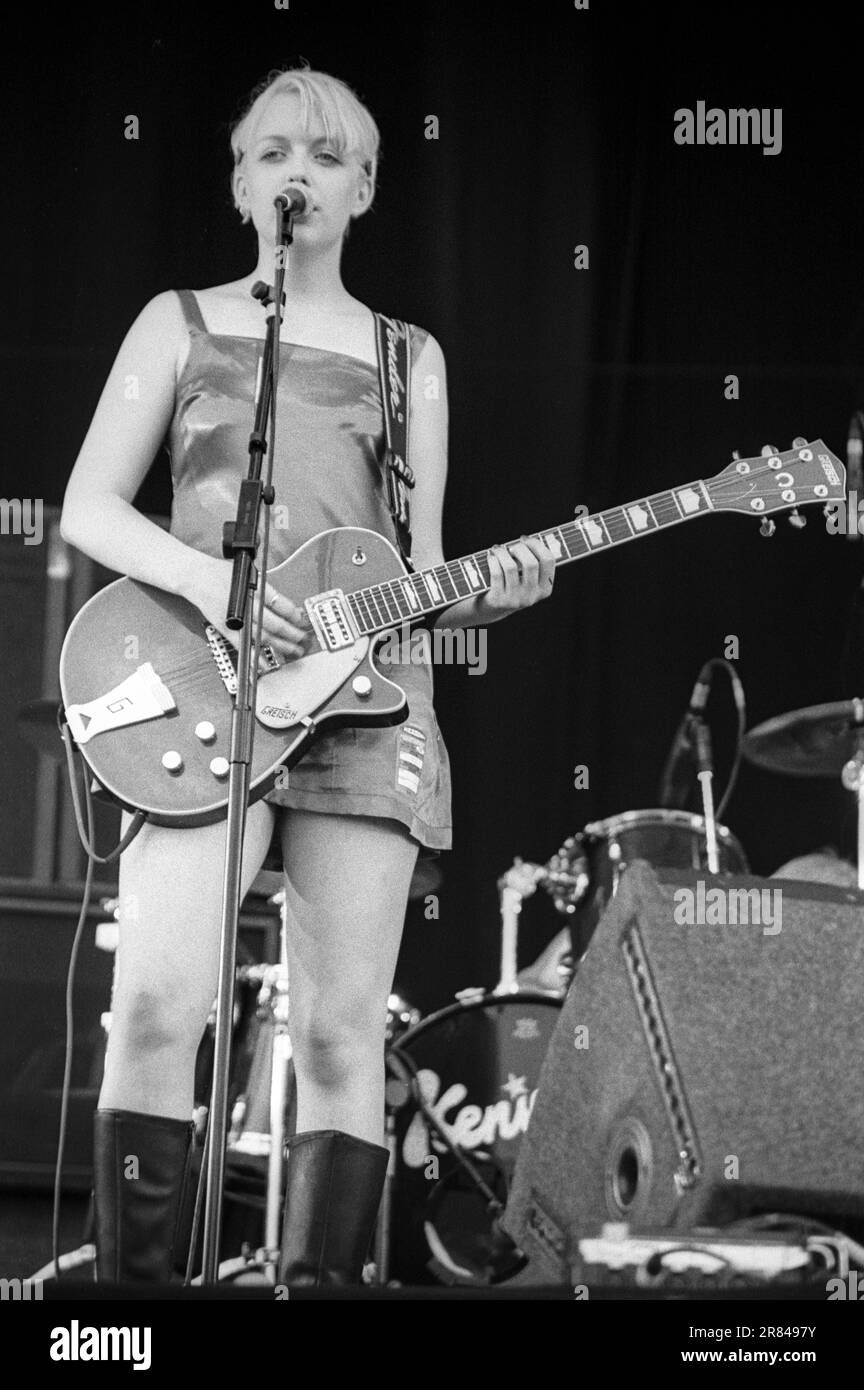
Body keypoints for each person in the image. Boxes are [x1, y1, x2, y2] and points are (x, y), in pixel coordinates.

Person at [60, 65, 557, 1286]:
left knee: (340, 1034)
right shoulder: (175, 322)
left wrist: (489, 587)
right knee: (161, 1011)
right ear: (241, 181)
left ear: (365, 187)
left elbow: (425, 562)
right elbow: (82, 506)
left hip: (365, 703)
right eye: (275, 151)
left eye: (328, 155)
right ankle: (132, 1302)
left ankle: (325, 1286)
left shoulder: (410, 357)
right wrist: (215, 581)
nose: (300, 172)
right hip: (199, 688)